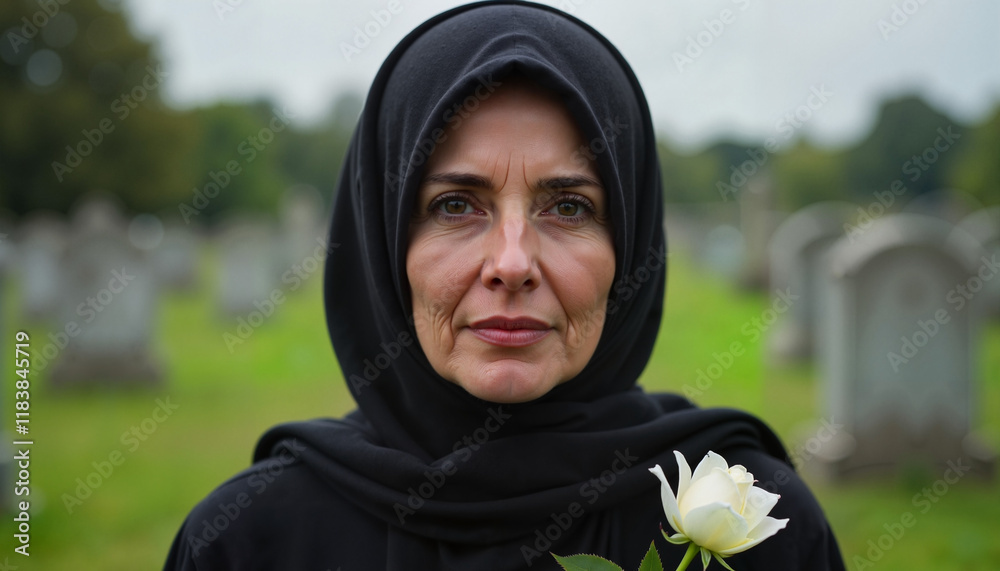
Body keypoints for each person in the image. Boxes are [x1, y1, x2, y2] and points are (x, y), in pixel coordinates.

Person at [164, 2, 846, 569]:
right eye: (456, 205)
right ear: (383, 241)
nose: (512, 263)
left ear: (631, 244)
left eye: (569, 206)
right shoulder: (248, 541)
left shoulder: (758, 527)